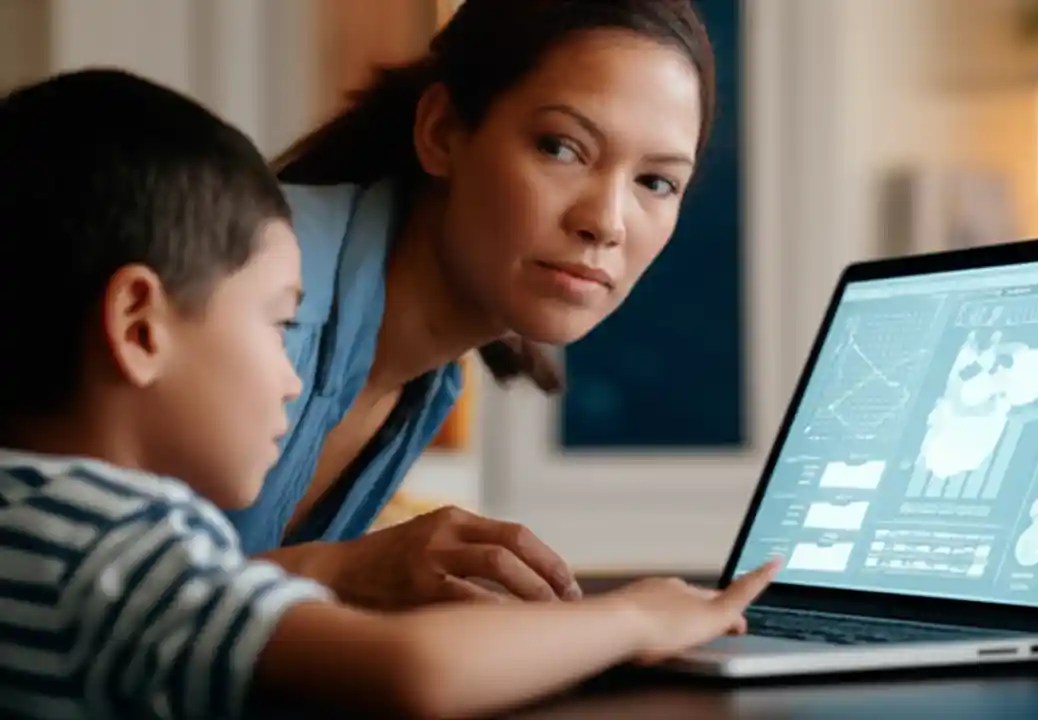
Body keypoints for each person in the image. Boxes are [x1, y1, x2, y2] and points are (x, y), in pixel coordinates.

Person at [0, 68, 777, 719]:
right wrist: (637, 615)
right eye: (280, 323)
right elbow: (412, 671)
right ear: (140, 328)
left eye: (656, 181)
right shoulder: (114, 550)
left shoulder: (31, 514)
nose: (292, 374)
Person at [223, 0, 724, 608]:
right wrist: (339, 573)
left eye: (656, 182)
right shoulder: (254, 293)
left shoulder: (427, 381)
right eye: (562, 148)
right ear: (440, 133)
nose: (607, 223)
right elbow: (98, 594)